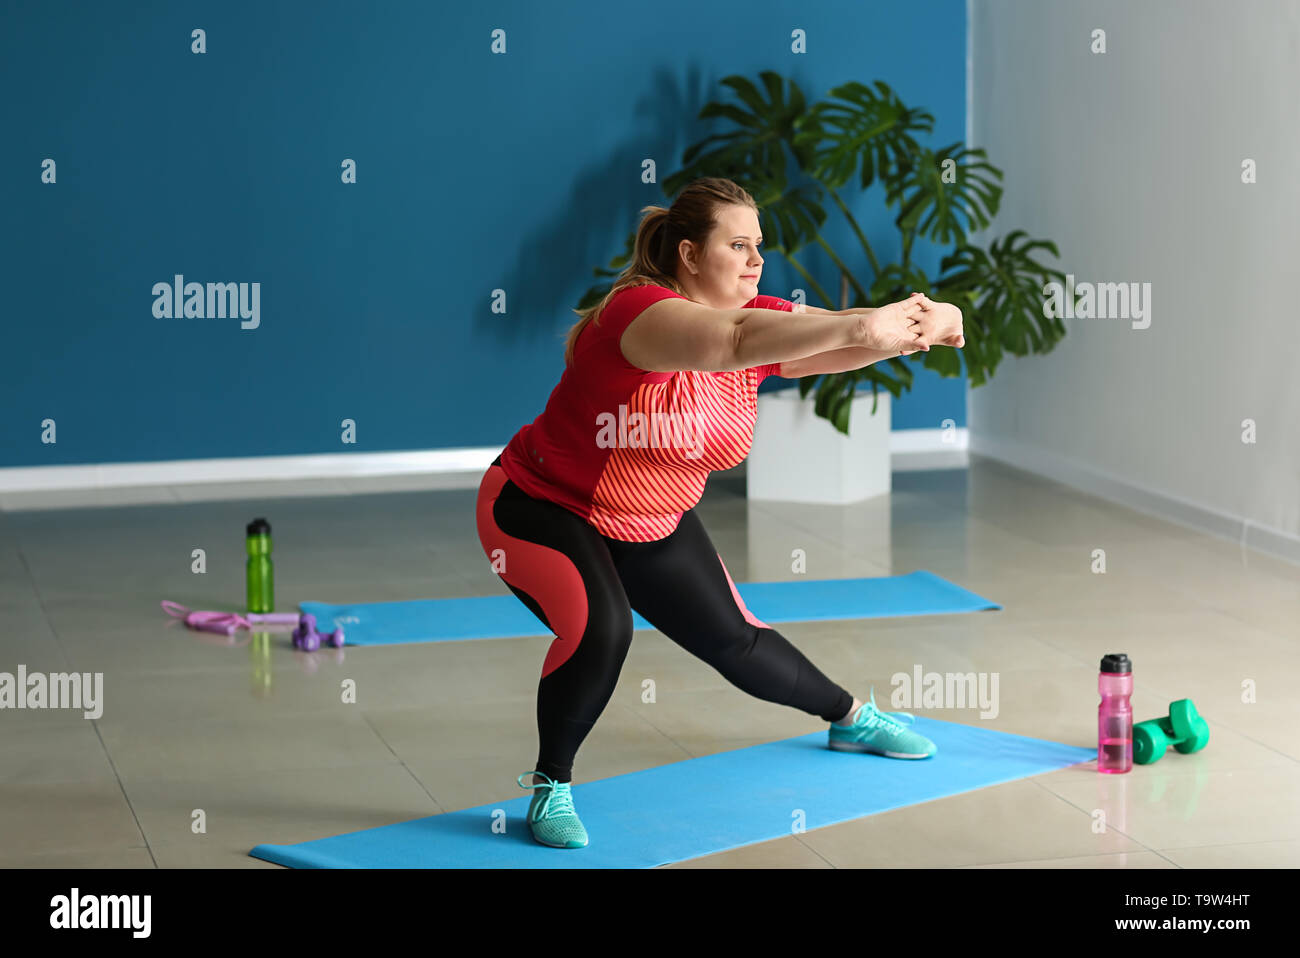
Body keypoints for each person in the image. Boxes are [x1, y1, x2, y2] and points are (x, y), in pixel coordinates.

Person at [475, 176, 966, 848]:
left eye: (759, 246)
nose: (757, 259)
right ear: (688, 254)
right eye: (738, 245)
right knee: (602, 629)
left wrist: (917, 327)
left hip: (652, 521)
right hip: (540, 506)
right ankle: (551, 785)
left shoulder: (757, 319)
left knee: (738, 641)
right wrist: (870, 323)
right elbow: (730, 340)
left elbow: (827, 346)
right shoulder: (640, 315)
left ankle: (850, 717)